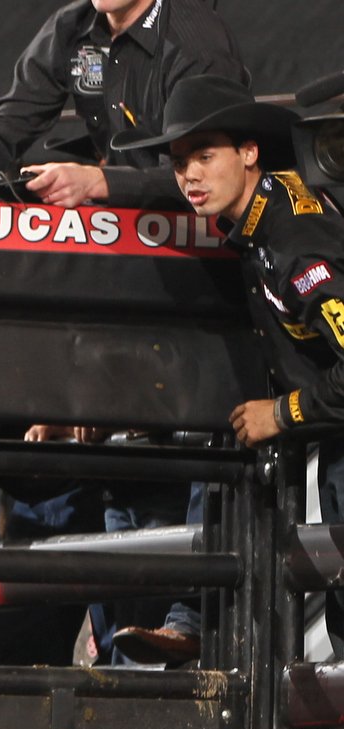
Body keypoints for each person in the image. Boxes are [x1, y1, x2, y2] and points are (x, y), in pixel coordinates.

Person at [121, 77, 344, 653]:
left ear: (249, 153)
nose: (190, 175)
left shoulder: (295, 241)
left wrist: (284, 413)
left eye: (204, 155)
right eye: (178, 162)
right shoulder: (261, 217)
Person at [0, 0, 248, 210]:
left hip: (197, 237)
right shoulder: (71, 29)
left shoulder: (196, 44)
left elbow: (213, 180)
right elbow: (5, 132)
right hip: (118, 225)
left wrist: (98, 181)